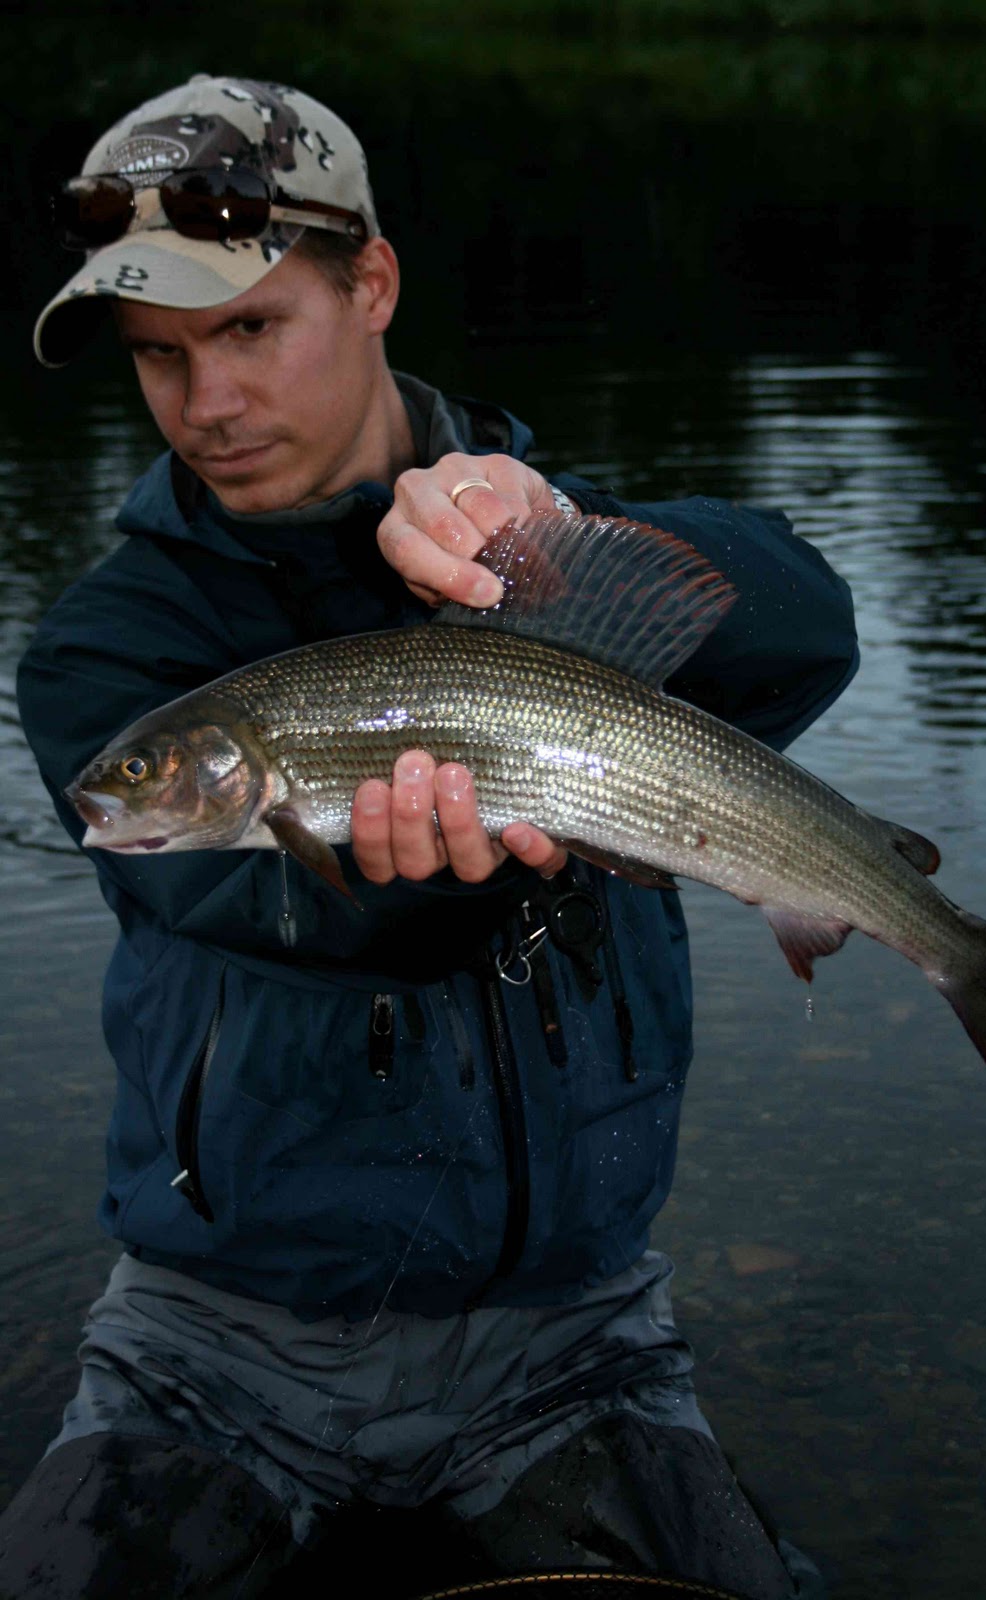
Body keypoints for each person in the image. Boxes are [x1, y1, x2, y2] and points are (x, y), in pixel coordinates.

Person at [1, 76, 858, 1599]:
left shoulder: (543, 561)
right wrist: (432, 887)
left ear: (374, 282)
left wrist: (566, 528)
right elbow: (276, 913)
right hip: (213, 1345)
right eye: (158, 358)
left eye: (250, 328)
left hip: (575, 1337)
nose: (206, 406)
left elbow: (810, 633)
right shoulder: (108, 653)